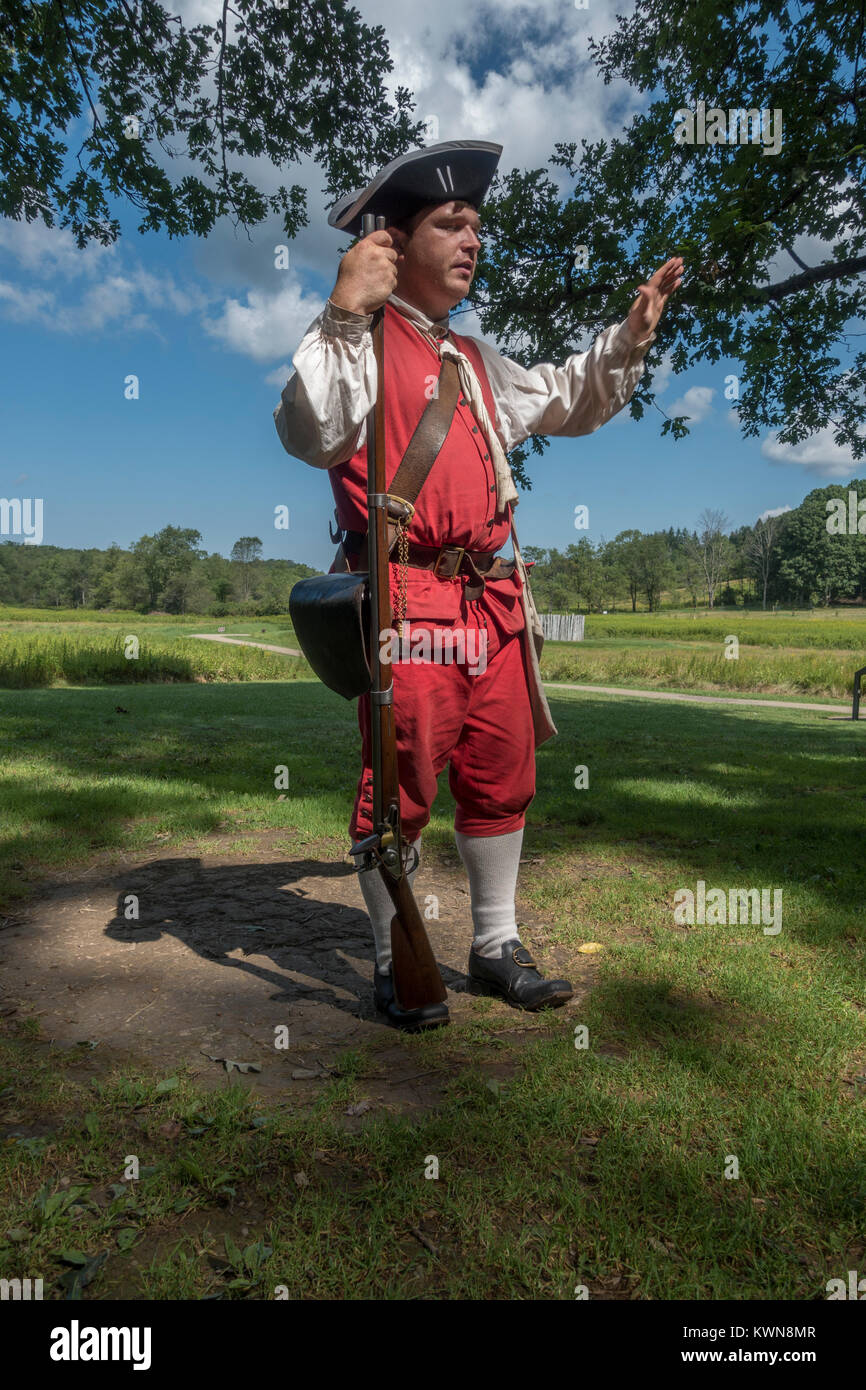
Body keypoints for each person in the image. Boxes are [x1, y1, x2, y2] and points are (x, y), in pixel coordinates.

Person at [274, 140, 683, 1030]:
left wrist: (630, 335)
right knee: (404, 780)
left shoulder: (474, 358)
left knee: (503, 773)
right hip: (408, 597)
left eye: (477, 227)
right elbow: (312, 429)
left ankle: (495, 943)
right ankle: (396, 960)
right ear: (392, 241)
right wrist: (345, 308)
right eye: (451, 224)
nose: (472, 241)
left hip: (493, 600)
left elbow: (566, 397)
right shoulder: (354, 340)